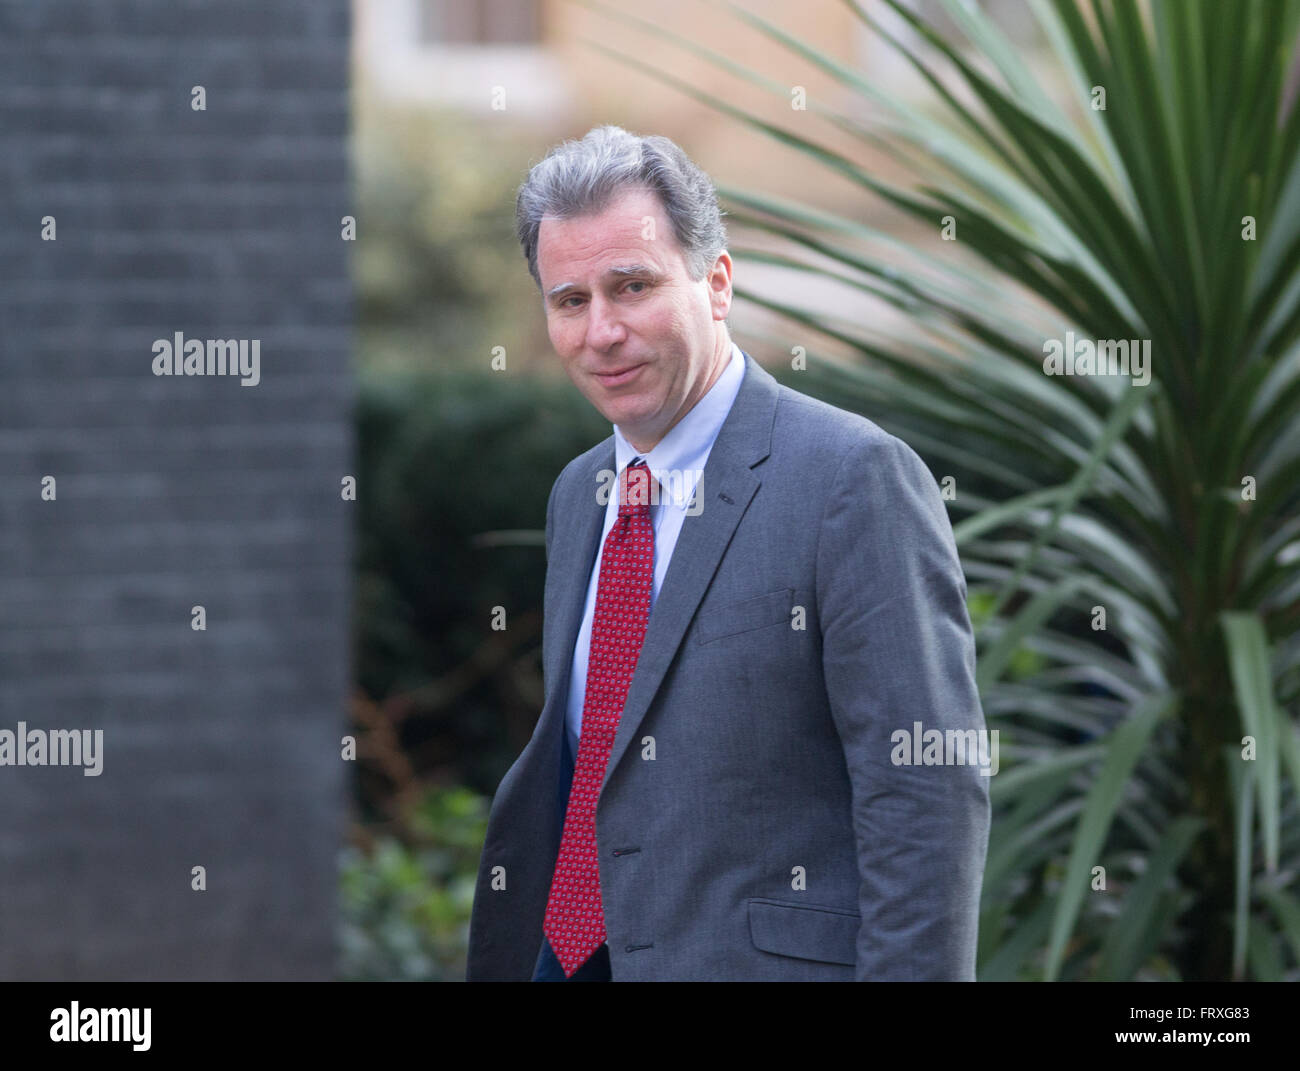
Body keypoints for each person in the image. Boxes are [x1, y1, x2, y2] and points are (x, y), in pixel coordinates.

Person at [466, 125, 990, 982]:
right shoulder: (578, 494)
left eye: (632, 286)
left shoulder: (852, 479)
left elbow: (925, 798)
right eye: (570, 299)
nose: (602, 331)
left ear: (716, 284)